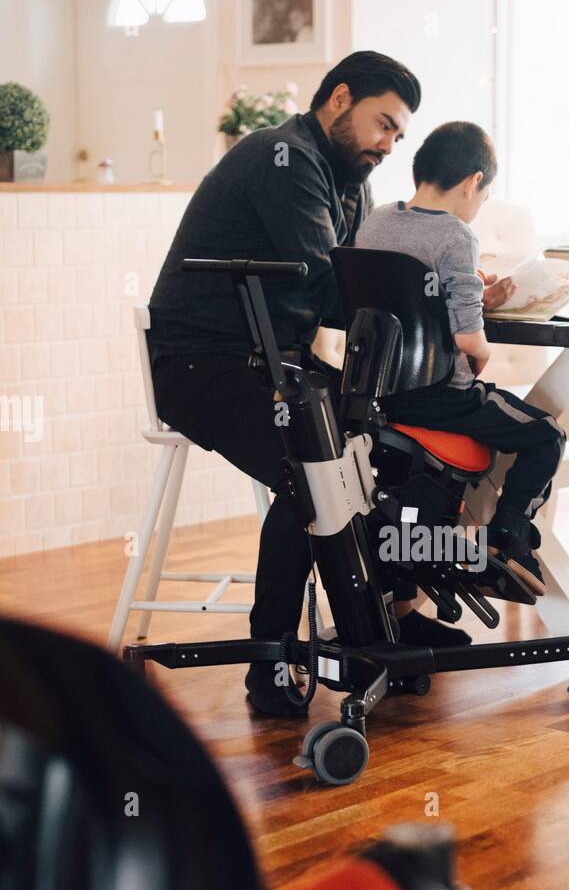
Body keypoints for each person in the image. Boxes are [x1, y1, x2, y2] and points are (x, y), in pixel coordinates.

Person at [148, 53, 513, 718]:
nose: (389, 144)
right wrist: (438, 298)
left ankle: (390, 617)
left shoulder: (351, 181)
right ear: (339, 99)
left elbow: (356, 287)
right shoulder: (281, 159)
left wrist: (450, 290)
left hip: (272, 359)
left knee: (388, 433)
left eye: (399, 135)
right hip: (202, 362)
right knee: (310, 466)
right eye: (384, 125)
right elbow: (329, 284)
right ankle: (274, 657)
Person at [356, 121, 565, 595]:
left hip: (382, 393)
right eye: (484, 195)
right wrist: (480, 355)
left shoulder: (377, 220)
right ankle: (506, 538)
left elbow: (410, 301)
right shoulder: (456, 236)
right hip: (438, 395)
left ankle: (441, 551)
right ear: (473, 181)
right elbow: (470, 343)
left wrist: (474, 296)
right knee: (546, 436)